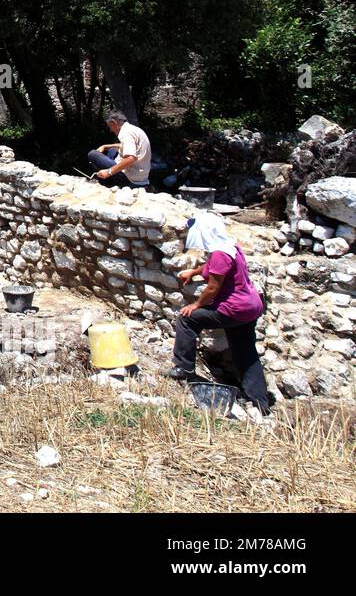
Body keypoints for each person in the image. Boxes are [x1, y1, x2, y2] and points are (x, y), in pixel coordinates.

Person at [166, 211, 271, 416]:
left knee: (188, 320)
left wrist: (196, 305)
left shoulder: (219, 254)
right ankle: (260, 401)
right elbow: (213, 268)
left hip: (234, 308)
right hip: (250, 306)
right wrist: (195, 272)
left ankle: (183, 368)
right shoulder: (230, 247)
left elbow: (213, 287)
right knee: (245, 352)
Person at [88, 111, 151, 188]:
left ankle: (104, 181)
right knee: (112, 151)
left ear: (114, 122)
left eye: (110, 126)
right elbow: (125, 146)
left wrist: (109, 172)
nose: (111, 130)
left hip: (130, 178)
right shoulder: (133, 129)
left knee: (93, 154)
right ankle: (106, 178)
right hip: (141, 176)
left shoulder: (125, 133)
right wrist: (106, 146)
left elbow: (131, 158)